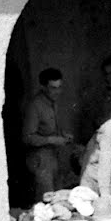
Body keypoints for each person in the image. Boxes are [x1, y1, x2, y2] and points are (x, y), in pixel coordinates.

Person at [22, 68, 77, 202]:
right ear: (43, 87)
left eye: (59, 87)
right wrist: (52, 139)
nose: (57, 92)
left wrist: (63, 135)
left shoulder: (54, 102)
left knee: (58, 199)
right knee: (46, 199)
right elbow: (27, 137)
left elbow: (50, 127)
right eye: (53, 88)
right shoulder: (35, 106)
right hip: (40, 160)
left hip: (54, 157)